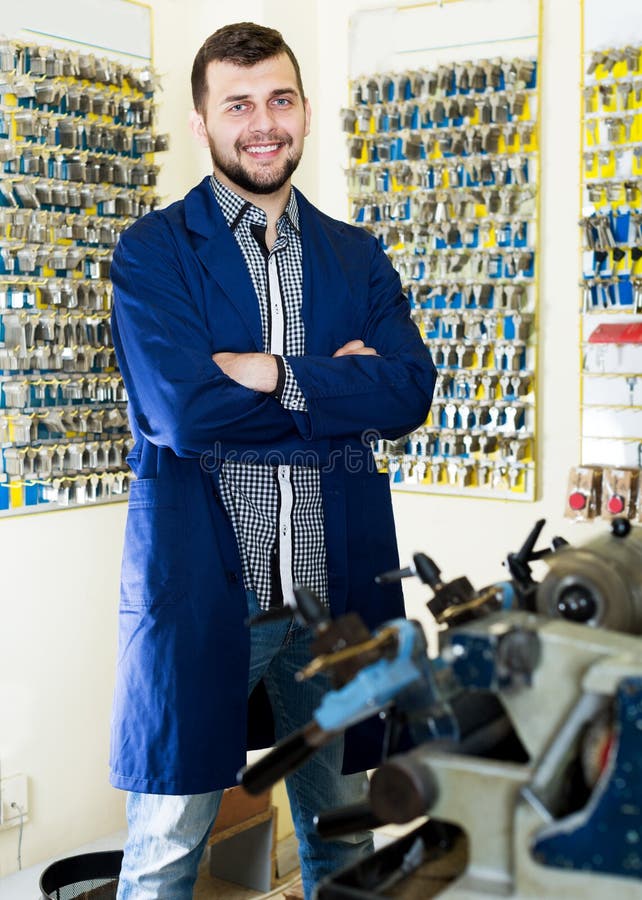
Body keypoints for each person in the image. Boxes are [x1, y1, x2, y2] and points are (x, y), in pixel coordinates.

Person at [109, 21, 436, 900]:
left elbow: (407, 394)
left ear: (304, 109)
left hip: (335, 595)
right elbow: (183, 414)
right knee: (168, 847)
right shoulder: (152, 254)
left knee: (344, 839)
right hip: (214, 590)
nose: (264, 123)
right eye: (239, 104)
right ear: (202, 122)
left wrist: (273, 374)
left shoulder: (357, 255)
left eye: (280, 99)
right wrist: (335, 393)